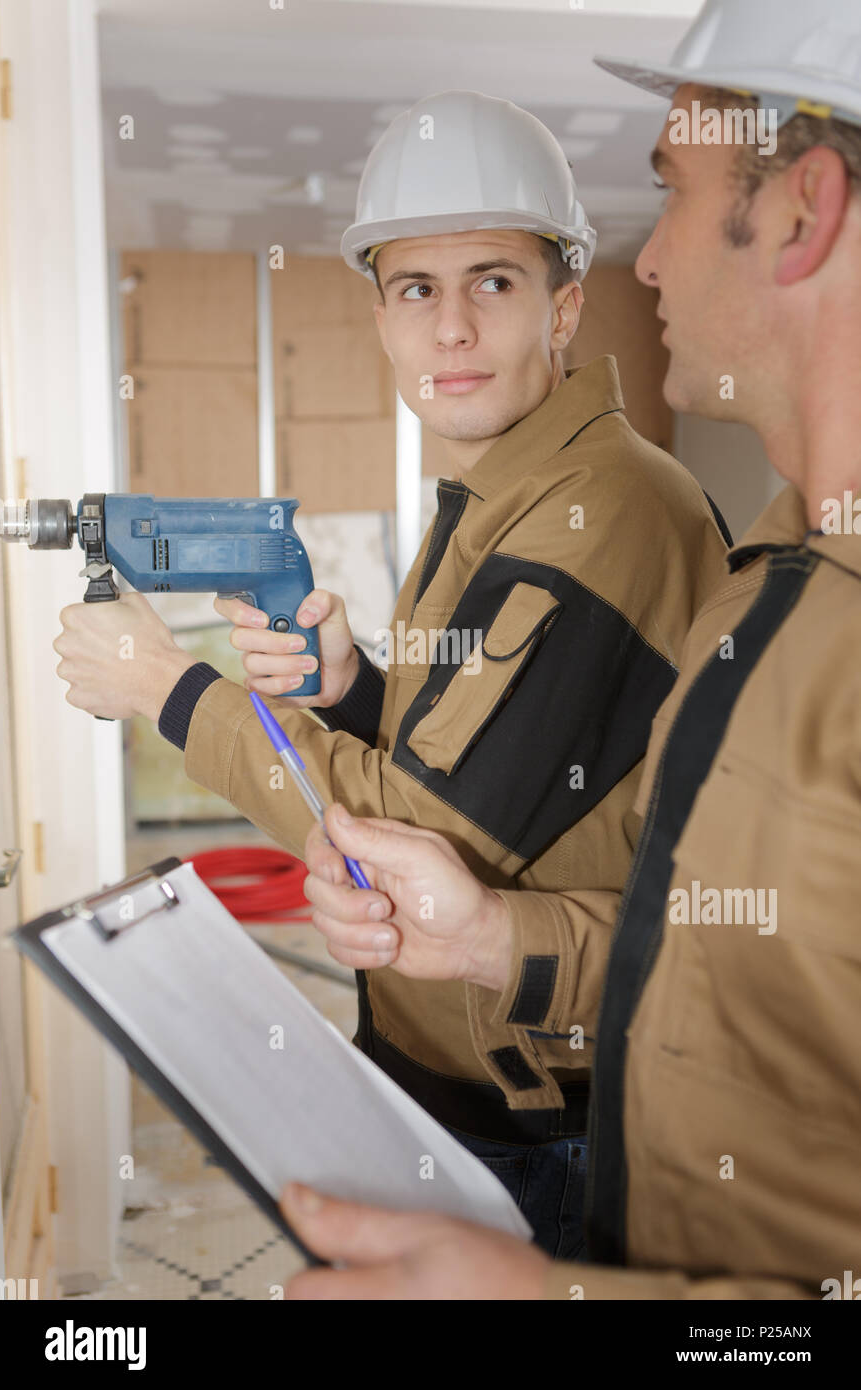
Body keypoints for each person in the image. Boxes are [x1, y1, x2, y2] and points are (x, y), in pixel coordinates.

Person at [53, 92, 728, 1258]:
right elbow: (518, 767)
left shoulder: (597, 512)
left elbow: (412, 839)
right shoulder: (501, 490)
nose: (450, 330)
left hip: (541, 1126)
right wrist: (355, 685)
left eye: (492, 282)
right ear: (379, 316)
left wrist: (169, 689)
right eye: (416, 289)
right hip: (469, 1083)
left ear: (563, 306)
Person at [277, 0, 861, 1298]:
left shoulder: (649, 522)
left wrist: (551, 1300)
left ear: (802, 208)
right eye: (414, 289)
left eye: (672, 190)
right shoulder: (778, 575)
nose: (648, 260)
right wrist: (492, 935)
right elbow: (724, 972)